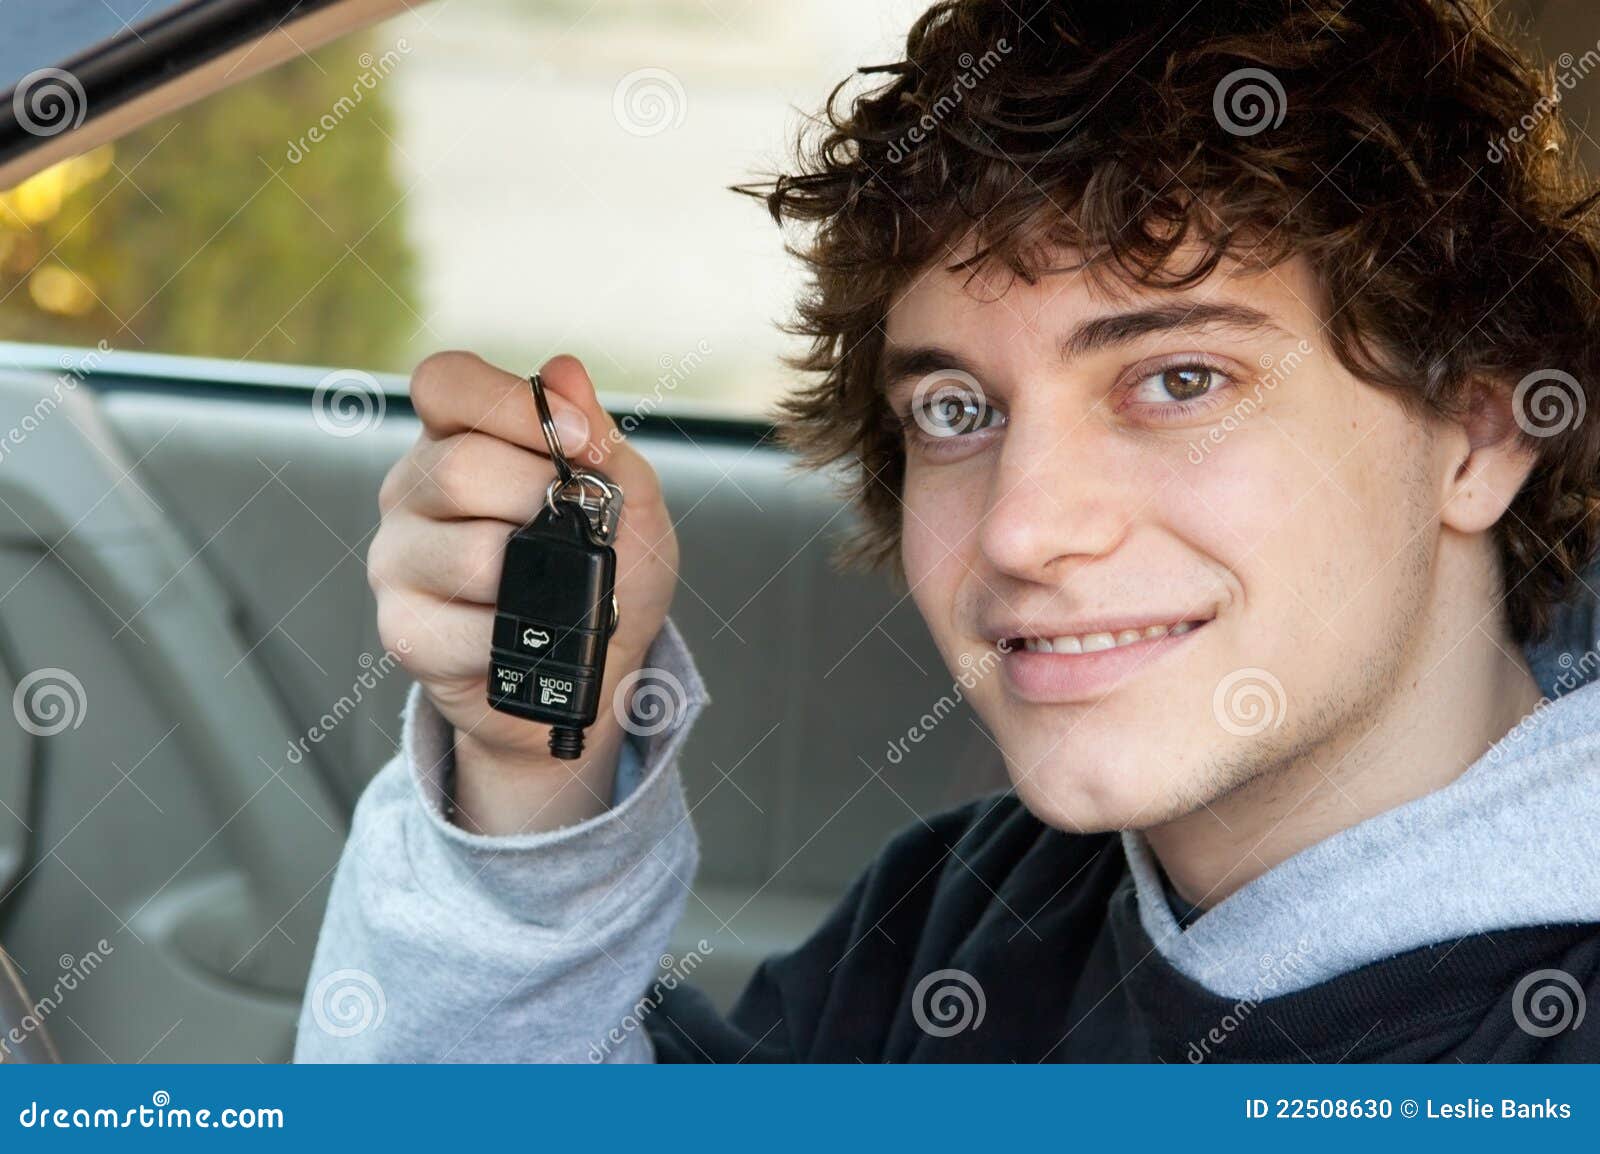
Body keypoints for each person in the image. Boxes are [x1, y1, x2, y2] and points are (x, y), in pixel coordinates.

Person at [295, 0, 1600, 1062]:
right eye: (958, 409)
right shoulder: (960, 921)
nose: (1021, 529)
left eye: (1180, 380)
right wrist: (531, 779)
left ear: (1481, 432)